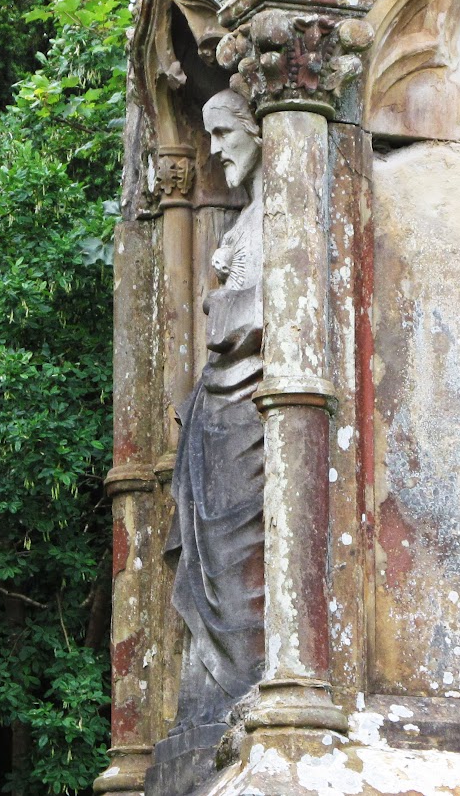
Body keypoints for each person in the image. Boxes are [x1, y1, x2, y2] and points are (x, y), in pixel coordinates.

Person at [165, 88, 266, 731]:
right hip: (218, 404)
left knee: (238, 563)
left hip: (253, 402)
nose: (216, 148)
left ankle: (246, 685)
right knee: (210, 564)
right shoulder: (244, 221)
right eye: (209, 134)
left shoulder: (282, 209)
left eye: (226, 132)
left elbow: (263, 311)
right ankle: (212, 698)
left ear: (259, 130)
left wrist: (220, 309)